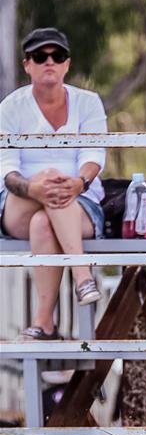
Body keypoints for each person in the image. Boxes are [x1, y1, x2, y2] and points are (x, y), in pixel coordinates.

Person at [1, 27, 108, 339]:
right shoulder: (10, 107)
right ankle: (82, 276)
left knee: (42, 225)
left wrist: (79, 183)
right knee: (47, 179)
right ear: (27, 65)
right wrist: (35, 187)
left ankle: (43, 323)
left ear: (66, 64)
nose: (49, 61)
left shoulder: (88, 102)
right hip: (20, 200)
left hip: (80, 204)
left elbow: (93, 155)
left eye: (56, 56)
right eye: (40, 56)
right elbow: (6, 170)